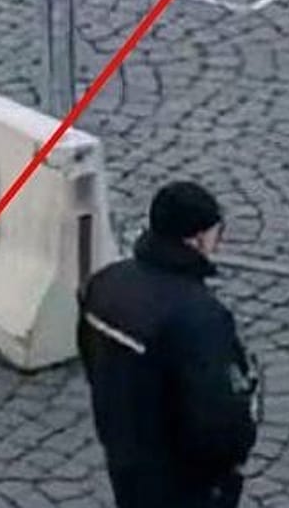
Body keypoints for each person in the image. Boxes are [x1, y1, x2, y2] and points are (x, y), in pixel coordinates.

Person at [78, 179, 256, 508]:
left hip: (124, 452)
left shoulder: (105, 284)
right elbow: (217, 416)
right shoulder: (201, 316)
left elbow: (91, 358)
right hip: (183, 479)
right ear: (198, 238)